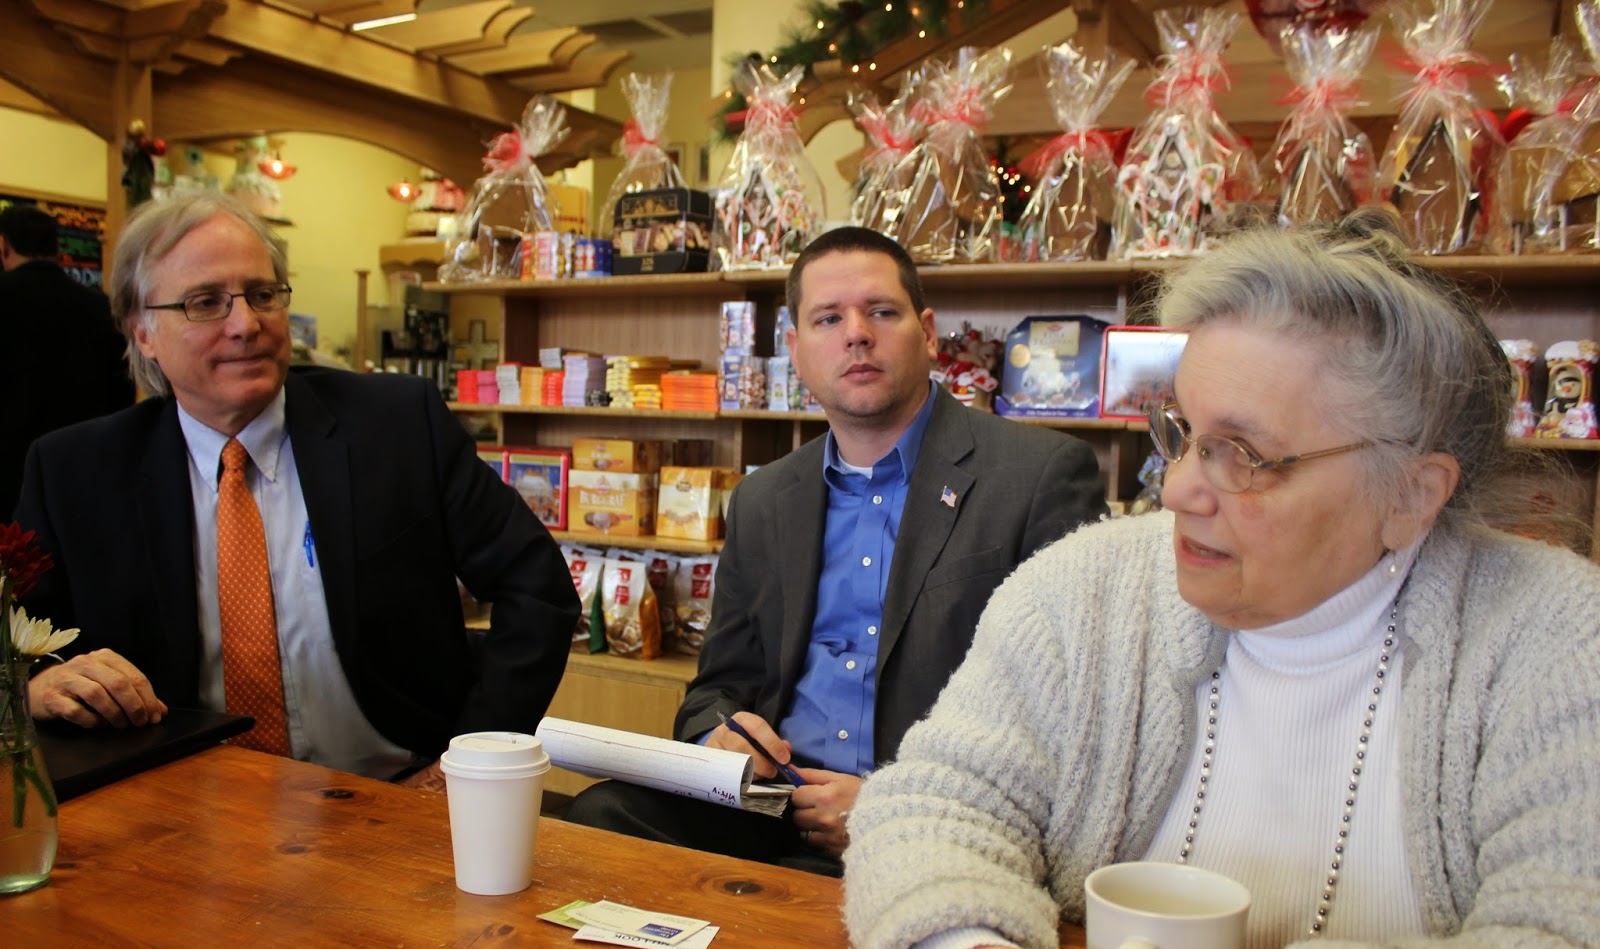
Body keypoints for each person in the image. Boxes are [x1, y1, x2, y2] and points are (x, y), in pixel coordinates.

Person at [843, 209, 1600, 949]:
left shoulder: (1557, 639)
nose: (1177, 494)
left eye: (1242, 455)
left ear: (1412, 496)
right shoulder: (1083, 590)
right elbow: (929, 806)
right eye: (1184, 436)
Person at [565, 226, 1108, 874]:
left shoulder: (1039, 476)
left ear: (927, 332)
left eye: (881, 312)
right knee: (601, 819)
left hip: (935, 829)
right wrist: (721, 735)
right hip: (770, 810)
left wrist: (894, 806)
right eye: (828, 318)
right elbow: (718, 686)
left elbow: (1073, 721)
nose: (856, 333)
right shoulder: (763, 498)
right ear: (795, 351)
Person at [14, 190, 579, 784]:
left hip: (395, 797)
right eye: (206, 303)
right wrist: (34, 686)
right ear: (143, 331)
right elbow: (16, 646)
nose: (245, 324)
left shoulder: (396, 426)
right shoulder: (74, 472)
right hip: (173, 808)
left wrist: (466, 763)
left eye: (262, 295)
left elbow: (536, 586)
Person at [0, 203, 134, 518]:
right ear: (56, 245)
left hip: (6, 478)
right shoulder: (100, 306)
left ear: (3, 245)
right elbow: (123, 388)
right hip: (86, 471)